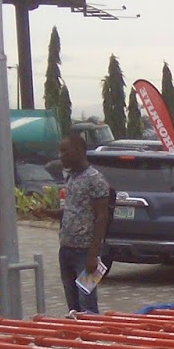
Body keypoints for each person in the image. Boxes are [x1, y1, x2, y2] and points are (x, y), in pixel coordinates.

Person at [40, 132, 112, 314]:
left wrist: (93, 255)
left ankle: (92, 332)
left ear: (79, 150)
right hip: (66, 250)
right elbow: (71, 211)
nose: (61, 156)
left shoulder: (95, 179)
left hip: (85, 252)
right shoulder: (71, 177)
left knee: (87, 304)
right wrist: (47, 213)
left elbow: (102, 217)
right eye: (60, 151)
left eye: (65, 151)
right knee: (73, 306)